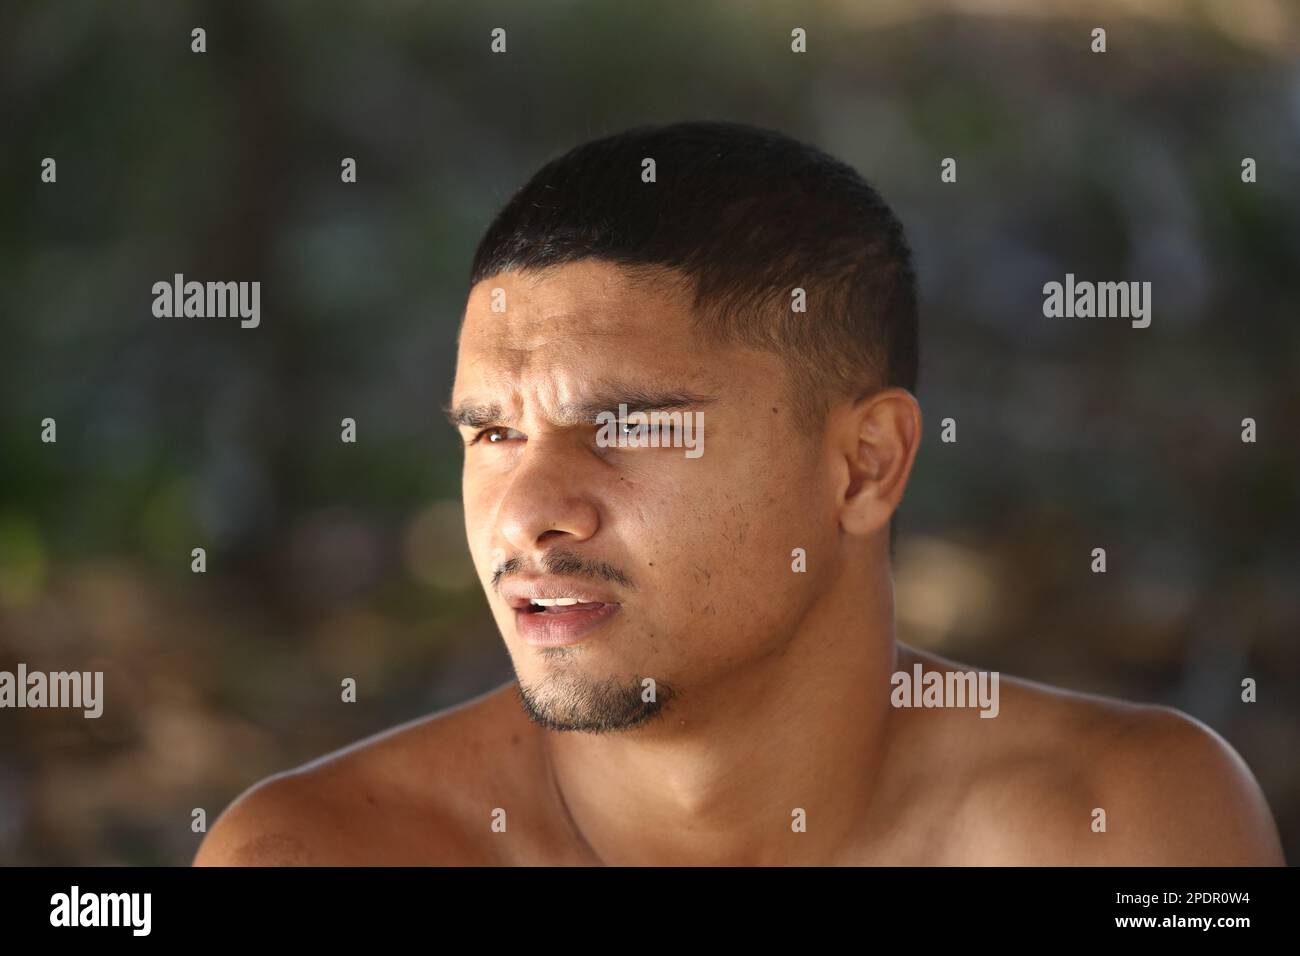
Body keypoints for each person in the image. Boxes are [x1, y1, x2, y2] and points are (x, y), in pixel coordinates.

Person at [195, 121, 1284, 866]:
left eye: (629, 423)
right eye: (492, 430)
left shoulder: (1122, 829)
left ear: (865, 463)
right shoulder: (318, 855)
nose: (525, 510)